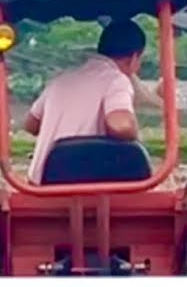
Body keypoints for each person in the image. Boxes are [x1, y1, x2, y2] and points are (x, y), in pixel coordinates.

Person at [22, 18, 164, 184]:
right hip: (88, 187)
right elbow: (121, 126)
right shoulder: (116, 80)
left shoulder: (61, 80)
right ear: (134, 57)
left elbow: (30, 125)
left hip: (43, 185)